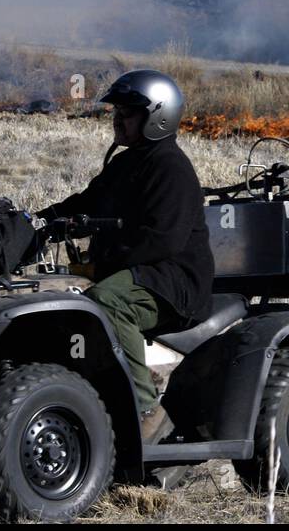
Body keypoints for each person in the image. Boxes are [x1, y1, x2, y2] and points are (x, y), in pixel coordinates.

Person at [36, 70, 214, 443]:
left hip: (172, 281)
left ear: (157, 117)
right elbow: (84, 205)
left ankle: (148, 412)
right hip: (138, 272)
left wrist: (104, 264)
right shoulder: (125, 163)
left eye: (128, 113)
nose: (118, 120)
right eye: (116, 112)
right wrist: (38, 221)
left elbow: (162, 241)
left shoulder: (171, 167)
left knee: (108, 302)